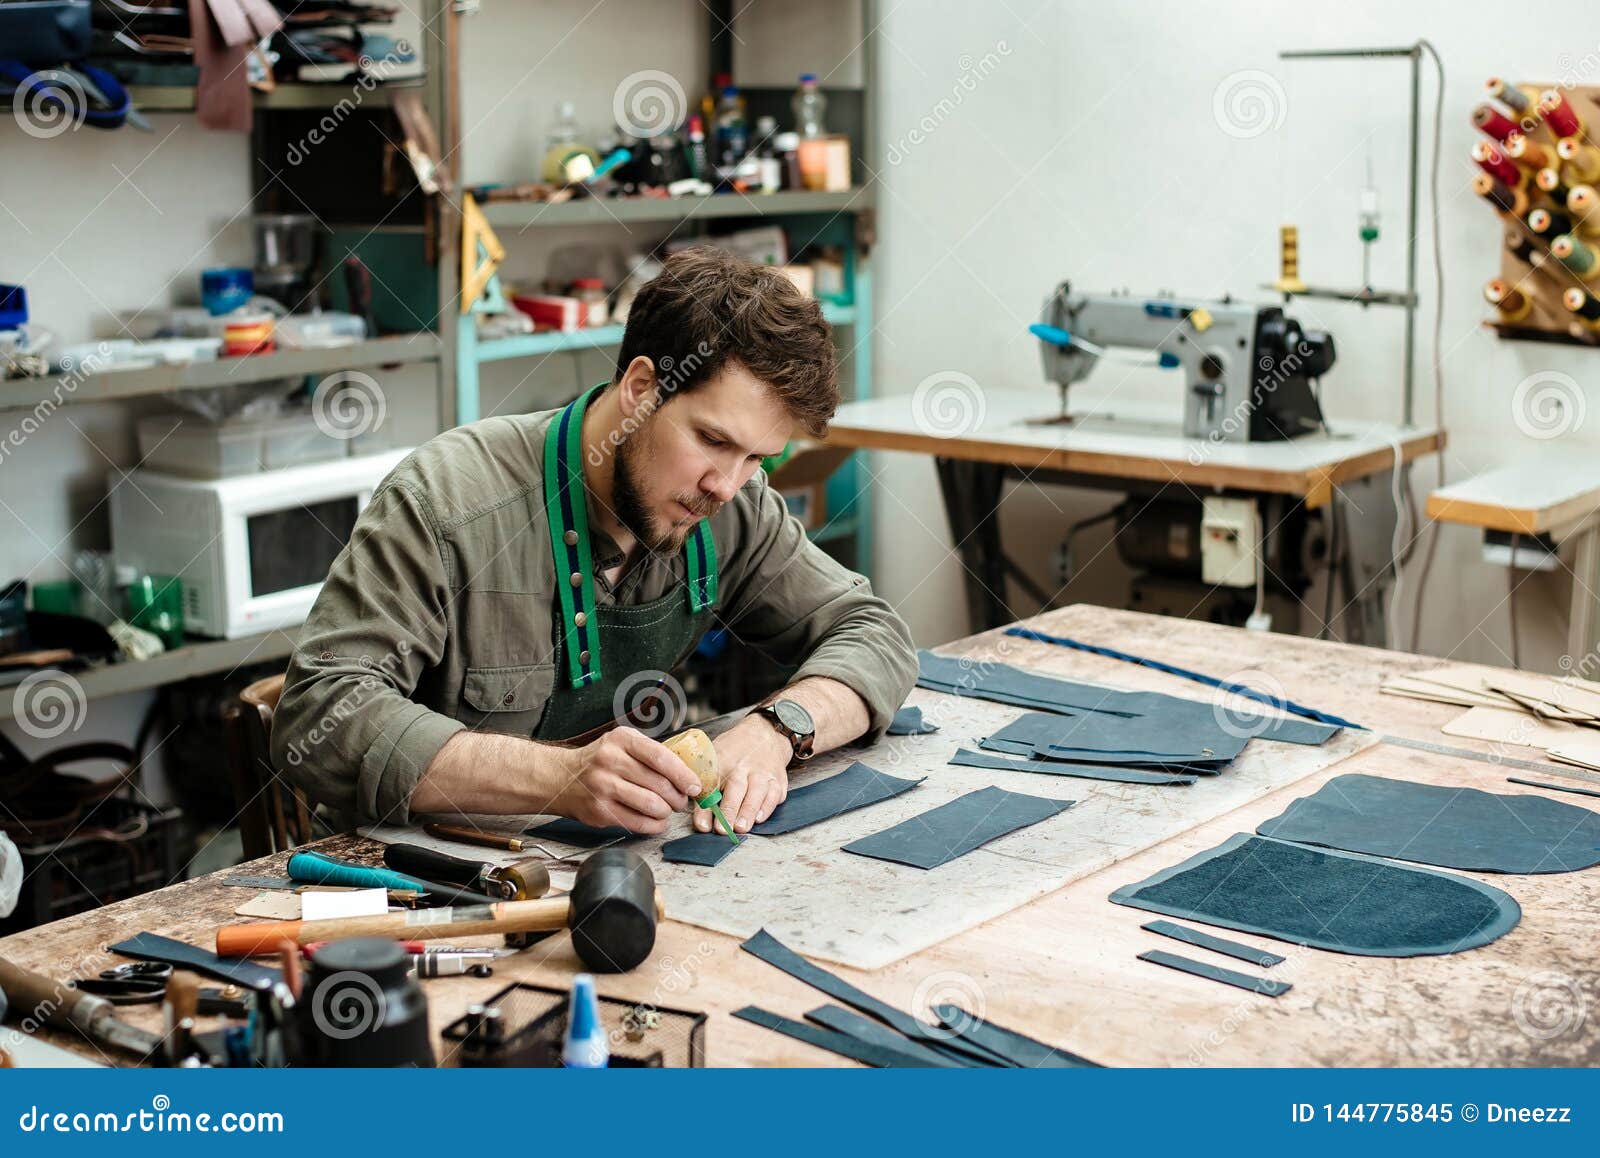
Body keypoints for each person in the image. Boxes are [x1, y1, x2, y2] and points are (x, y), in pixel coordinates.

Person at [272, 247, 917, 837]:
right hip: (417, 881)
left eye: (756, 457)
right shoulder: (448, 502)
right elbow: (320, 715)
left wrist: (777, 729)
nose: (726, 485)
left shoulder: (730, 506)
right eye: (713, 440)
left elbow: (873, 632)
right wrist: (559, 778)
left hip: (592, 865)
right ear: (640, 390)